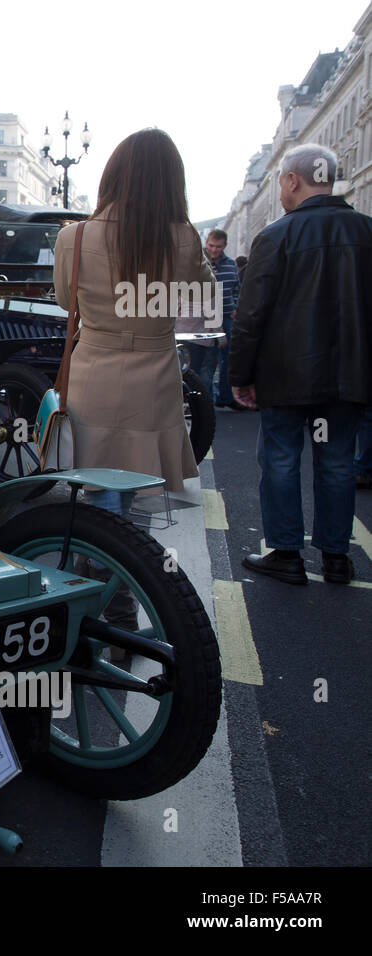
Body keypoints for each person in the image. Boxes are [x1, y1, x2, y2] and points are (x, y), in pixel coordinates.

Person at [53, 128, 214, 629]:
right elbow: (202, 302)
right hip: (154, 384)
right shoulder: (183, 238)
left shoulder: (75, 236)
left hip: (94, 376)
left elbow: (65, 302)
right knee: (139, 500)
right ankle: (118, 601)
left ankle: (91, 589)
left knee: (97, 495)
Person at [231, 143, 372, 586]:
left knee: (281, 460)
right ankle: (336, 558)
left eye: (280, 182)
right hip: (349, 375)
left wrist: (240, 375)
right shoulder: (367, 231)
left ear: (292, 180)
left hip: (287, 375)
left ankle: (287, 553)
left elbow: (251, 316)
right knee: (337, 462)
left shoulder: (276, 236)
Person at [187, 228, 241, 410]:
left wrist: (235, 307)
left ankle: (225, 396)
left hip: (226, 316)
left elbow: (236, 288)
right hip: (205, 320)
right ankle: (205, 400)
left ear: (224, 246)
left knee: (228, 360)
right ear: (206, 244)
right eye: (211, 245)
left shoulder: (231, 265)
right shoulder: (200, 264)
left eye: (218, 246)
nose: (214, 249)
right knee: (207, 362)